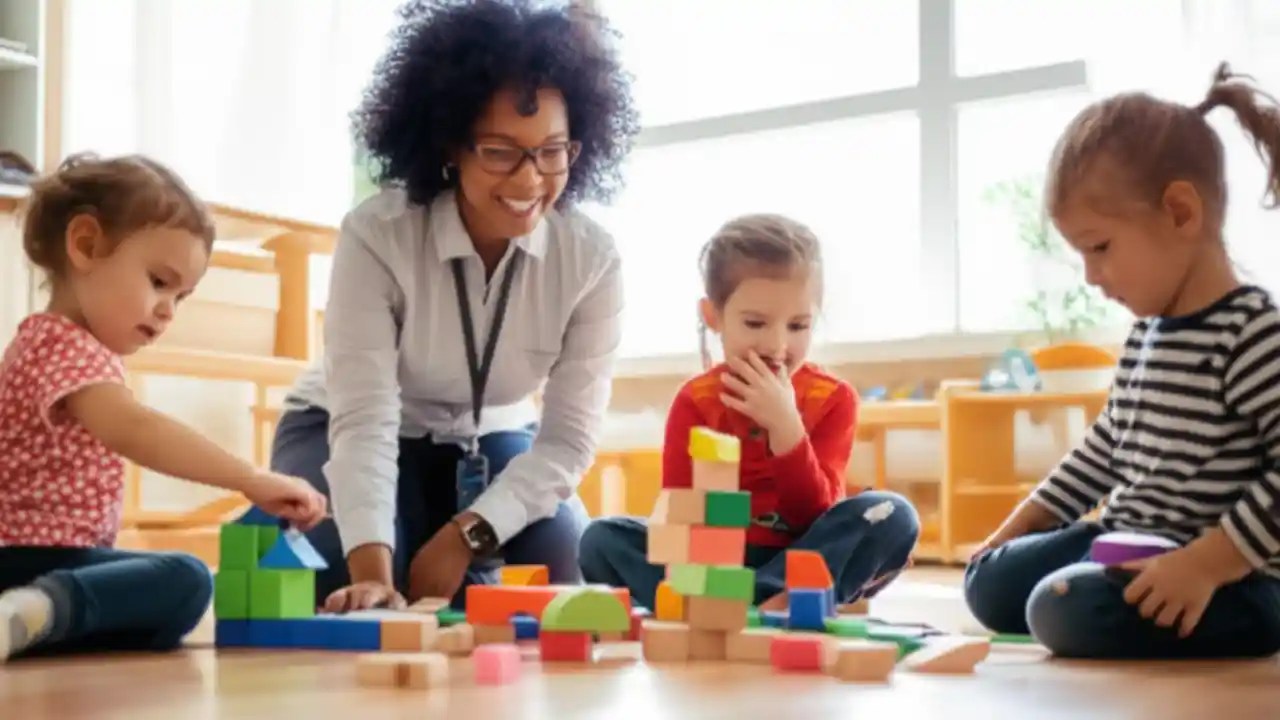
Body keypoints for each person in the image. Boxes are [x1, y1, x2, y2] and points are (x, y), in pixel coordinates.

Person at [270, 0, 639, 612]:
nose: (529, 182)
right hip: (346, 424)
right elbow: (365, 418)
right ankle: (286, 516)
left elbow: (566, 442)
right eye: (500, 151)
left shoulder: (592, 259)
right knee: (336, 569)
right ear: (450, 145)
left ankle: (452, 559)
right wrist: (370, 573)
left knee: (557, 563)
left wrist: (469, 533)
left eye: (552, 151)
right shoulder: (378, 233)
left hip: (486, 437)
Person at [964, 62, 1280, 659]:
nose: (1091, 276)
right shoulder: (1145, 334)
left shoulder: (1252, 333)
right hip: (1126, 541)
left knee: (1060, 608)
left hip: (1233, 580)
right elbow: (1107, 446)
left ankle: (1089, 589)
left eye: (1100, 248)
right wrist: (1020, 526)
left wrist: (1206, 564)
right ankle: (1076, 580)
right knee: (989, 580)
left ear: (1181, 213)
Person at [0, 153, 328, 663]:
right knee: (187, 577)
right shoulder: (62, 346)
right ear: (86, 246)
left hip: (47, 562)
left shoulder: (55, 344)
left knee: (169, 604)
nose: (168, 310)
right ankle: (35, 610)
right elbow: (134, 429)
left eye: (181, 296)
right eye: (159, 282)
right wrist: (249, 478)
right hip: (24, 560)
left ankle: (36, 619)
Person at [578, 214, 921, 612]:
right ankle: (769, 602)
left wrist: (786, 429)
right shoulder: (696, 401)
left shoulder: (833, 399)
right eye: (755, 323)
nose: (777, 344)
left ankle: (761, 599)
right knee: (600, 538)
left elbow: (816, 515)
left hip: (800, 555)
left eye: (798, 325)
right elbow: (679, 512)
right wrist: (685, 567)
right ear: (714, 317)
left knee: (892, 514)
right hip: (712, 565)